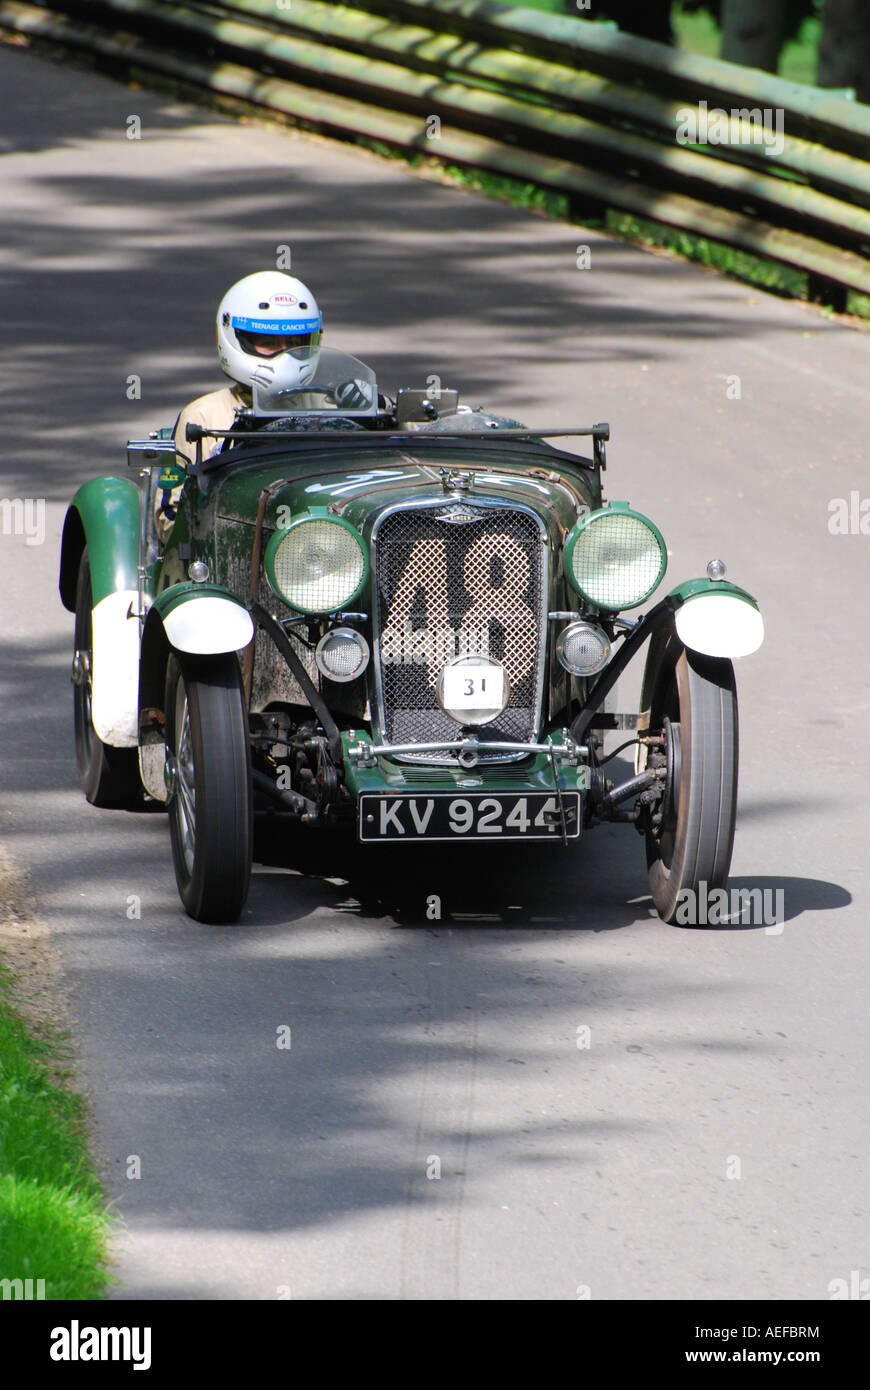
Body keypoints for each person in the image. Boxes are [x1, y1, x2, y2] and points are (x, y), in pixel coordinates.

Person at [156, 270, 326, 538]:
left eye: (294, 343)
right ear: (236, 338)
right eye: (269, 342)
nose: (285, 353)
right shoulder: (202, 416)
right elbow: (170, 523)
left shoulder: (330, 409)